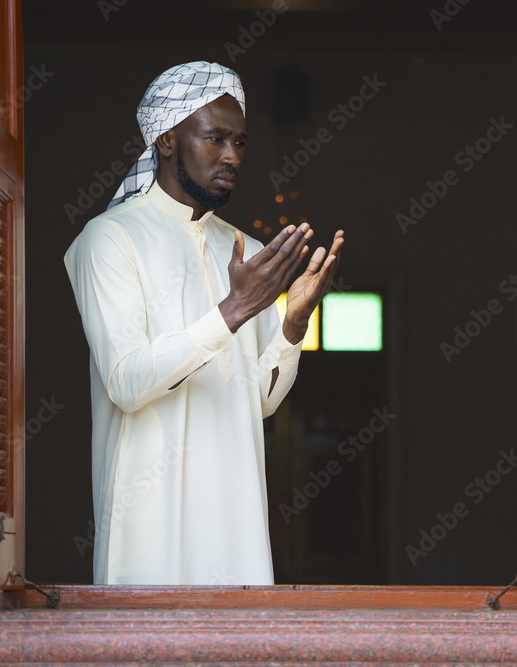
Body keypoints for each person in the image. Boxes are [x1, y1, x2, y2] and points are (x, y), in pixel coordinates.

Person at [64, 61, 344, 585]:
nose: (233, 156)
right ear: (167, 141)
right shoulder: (110, 240)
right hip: (149, 530)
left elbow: (258, 400)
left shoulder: (247, 252)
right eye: (215, 139)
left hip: (237, 526)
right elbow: (126, 383)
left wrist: (292, 324)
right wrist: (233, 311)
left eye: (240, 141)